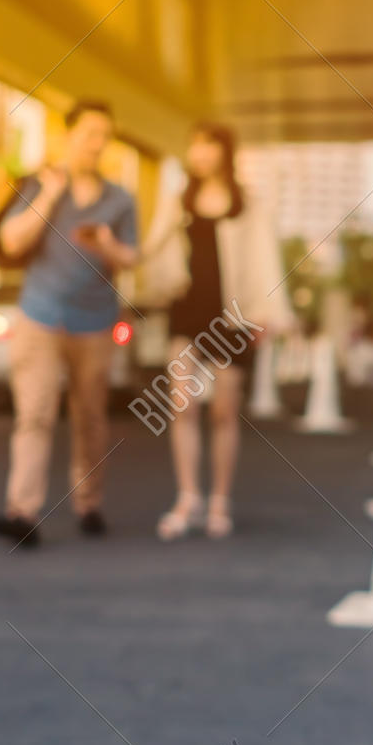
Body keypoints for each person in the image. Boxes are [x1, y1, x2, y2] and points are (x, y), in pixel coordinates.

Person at [0, 99, 139, 548]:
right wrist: (50, 196)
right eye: (89, 134)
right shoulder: (41, 185)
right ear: (68, 136)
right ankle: (22, 510)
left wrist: (107, 243)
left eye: (103, 137)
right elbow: (11, 240)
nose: (96, 144)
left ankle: (88, 502)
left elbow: (133, 257)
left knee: (90, 417)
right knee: (34, 414)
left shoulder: (120, 200)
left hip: (94, 322)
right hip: (40, 316)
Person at [142, 122, 292, 541]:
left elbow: (266, 260)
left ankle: (220, 499)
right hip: (186, 310)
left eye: (208, 146)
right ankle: (188, 496)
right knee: (181, 405)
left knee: (225, 411)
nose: (201, 154)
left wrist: (267, 312)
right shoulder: (178, 202)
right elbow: (151, 249)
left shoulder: (248, 205)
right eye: (195, 146)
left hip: (234, 316)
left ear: (225, 151)